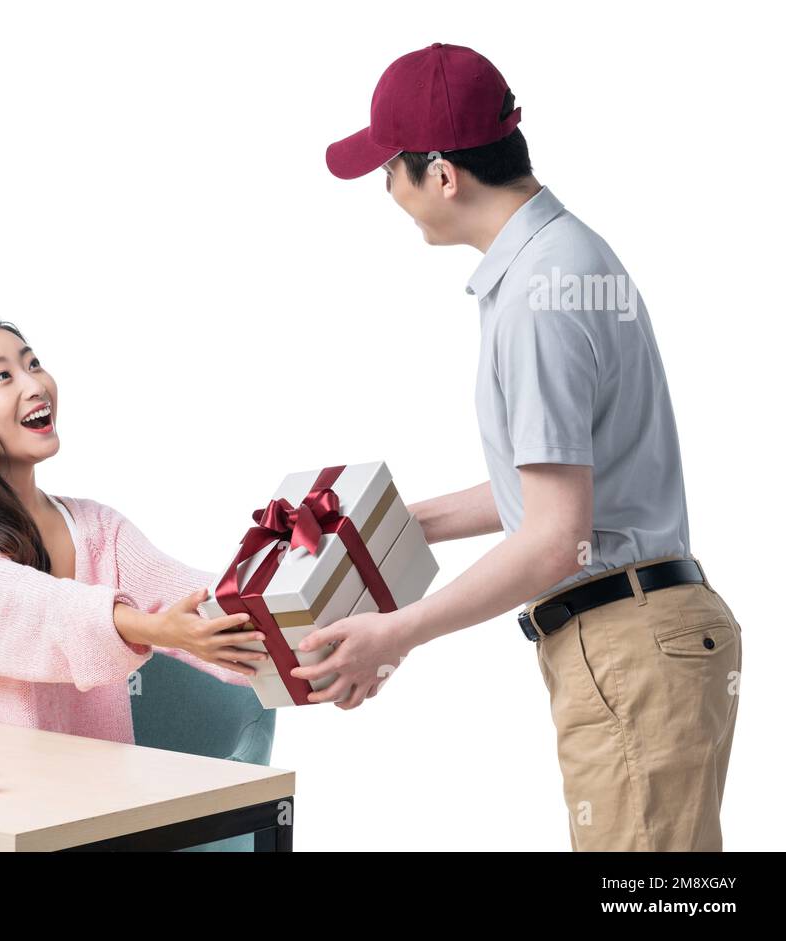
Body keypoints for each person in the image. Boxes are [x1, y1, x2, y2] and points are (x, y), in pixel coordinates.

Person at [303, 42, 742, 851]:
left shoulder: (541, 295)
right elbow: (554, 484)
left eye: (389, 169)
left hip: (629, 646)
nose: (385, 190)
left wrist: (396, 632)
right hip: (648, 637)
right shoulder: (567, 261)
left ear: (442, 175)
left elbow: (553, 537)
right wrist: (400, 524)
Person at [0, 306, 266, 744]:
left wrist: (301, 602)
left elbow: (196, 595)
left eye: (33, 363)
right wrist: (156, 629)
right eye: (3, 376)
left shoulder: (99, 529)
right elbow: (41, 611)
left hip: (104, 802)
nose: (36, 385)